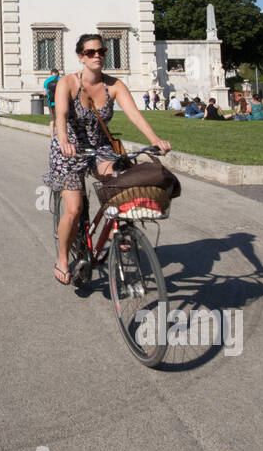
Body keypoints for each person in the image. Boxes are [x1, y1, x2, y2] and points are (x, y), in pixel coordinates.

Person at [44, 34, 170, 285]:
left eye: (101, 51)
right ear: (80, 57)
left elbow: (135, 115)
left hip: (99, 144)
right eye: (90, 52)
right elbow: (61, 115)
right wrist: (64, 142)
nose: (97, 55)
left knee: (121, 181)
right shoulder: (67, 83)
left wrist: (155, 139)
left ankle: (121, 230)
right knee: (74, 208)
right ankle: (61, 258)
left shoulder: (114, 86)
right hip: (69, 146)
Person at [43, 68, 61, 135]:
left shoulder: (47, 81)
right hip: (60, 102)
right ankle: (59, 136)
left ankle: (52, 136)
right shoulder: (61, 79)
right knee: (60, 119)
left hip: (50, 102)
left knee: (52, 120)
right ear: (57, 73)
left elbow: (44, 93)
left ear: (51, 73)